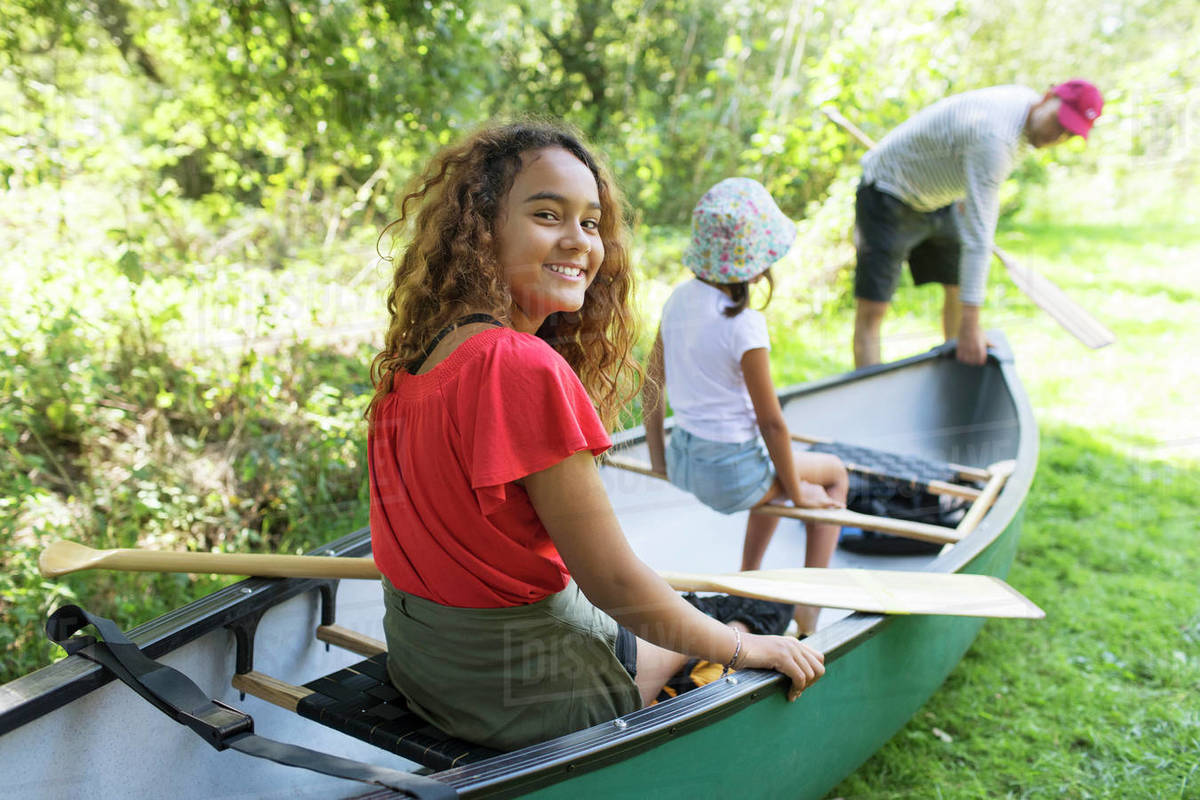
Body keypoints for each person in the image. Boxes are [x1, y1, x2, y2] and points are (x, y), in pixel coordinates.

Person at [365, 122, 824, 752]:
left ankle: (700, 633)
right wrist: (746, 647)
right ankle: (746, 626)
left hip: (428, 674)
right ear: (482, 226)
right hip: (528, 699)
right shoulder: (519, 365)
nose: (579, 241)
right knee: (698, 623)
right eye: (548, 214)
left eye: (590, 222)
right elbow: (613, 582)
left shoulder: (414, 367)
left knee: (651, 607)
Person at [642, 178, 850, 636]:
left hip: (684, 466)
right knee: (833, 473)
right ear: (756, 265)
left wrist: (659, 462)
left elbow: (651, 384)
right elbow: (772, 423)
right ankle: (810, 610)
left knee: (778, 469)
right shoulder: (745, 324)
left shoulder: (676, 300)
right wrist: (799, 491)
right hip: (733, 479)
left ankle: (750, 577)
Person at [852, 80, 1104, 367]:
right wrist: (972, 325)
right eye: (1059, 122)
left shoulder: (1025, 115)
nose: (1056, 136)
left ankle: (955, 376)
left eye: (1068, 134)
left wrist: (968, 325)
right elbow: (978, 239)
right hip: (888, 192)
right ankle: (868, 395)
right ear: (1047, 97)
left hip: (941, 198)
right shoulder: (996, 134)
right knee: (873, 309)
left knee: (958, 291)